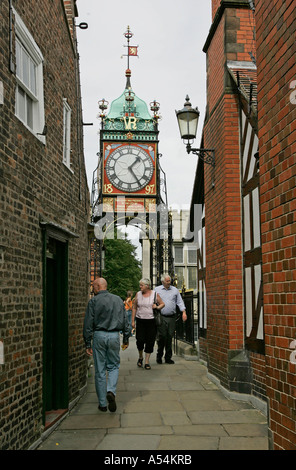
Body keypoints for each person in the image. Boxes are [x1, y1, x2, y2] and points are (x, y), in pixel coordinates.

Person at [83, 277, 131, 412]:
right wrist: (126, 338)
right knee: (114, 366)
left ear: (98, 286)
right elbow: (124, 321)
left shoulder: (93, 301)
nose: (92, 288)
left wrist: (88, 343)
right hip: (114, 335)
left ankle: (102, 403)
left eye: (93, 286)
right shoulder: (117, 300)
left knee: (100, 369)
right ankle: (111, 390)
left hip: (99, 335)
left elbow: (88, 323)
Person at [132, 278, 165, 370]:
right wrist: (132, 321)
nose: (140, 287)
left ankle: (146, 361)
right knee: (140, 340)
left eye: (141, 285)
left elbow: (163, 304)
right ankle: (140, 356)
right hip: (140, 320)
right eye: (140, 285)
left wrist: (157, 307)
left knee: (150, 341)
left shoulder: (154, 294)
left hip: (151, 321)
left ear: (147, 286)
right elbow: (134, 307)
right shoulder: (138, 294)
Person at [154, 274, 187, 364]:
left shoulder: (175, 290)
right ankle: (159, 355)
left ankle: (168, 357)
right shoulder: (157, 290)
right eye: (167, 281)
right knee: (162, 336)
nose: (169, 282)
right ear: (163, 282)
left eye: (170, 281)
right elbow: (152, 301)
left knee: (169, 336)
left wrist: (183, 312)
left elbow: (180, 302)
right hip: (161, 316)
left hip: (172, 317)